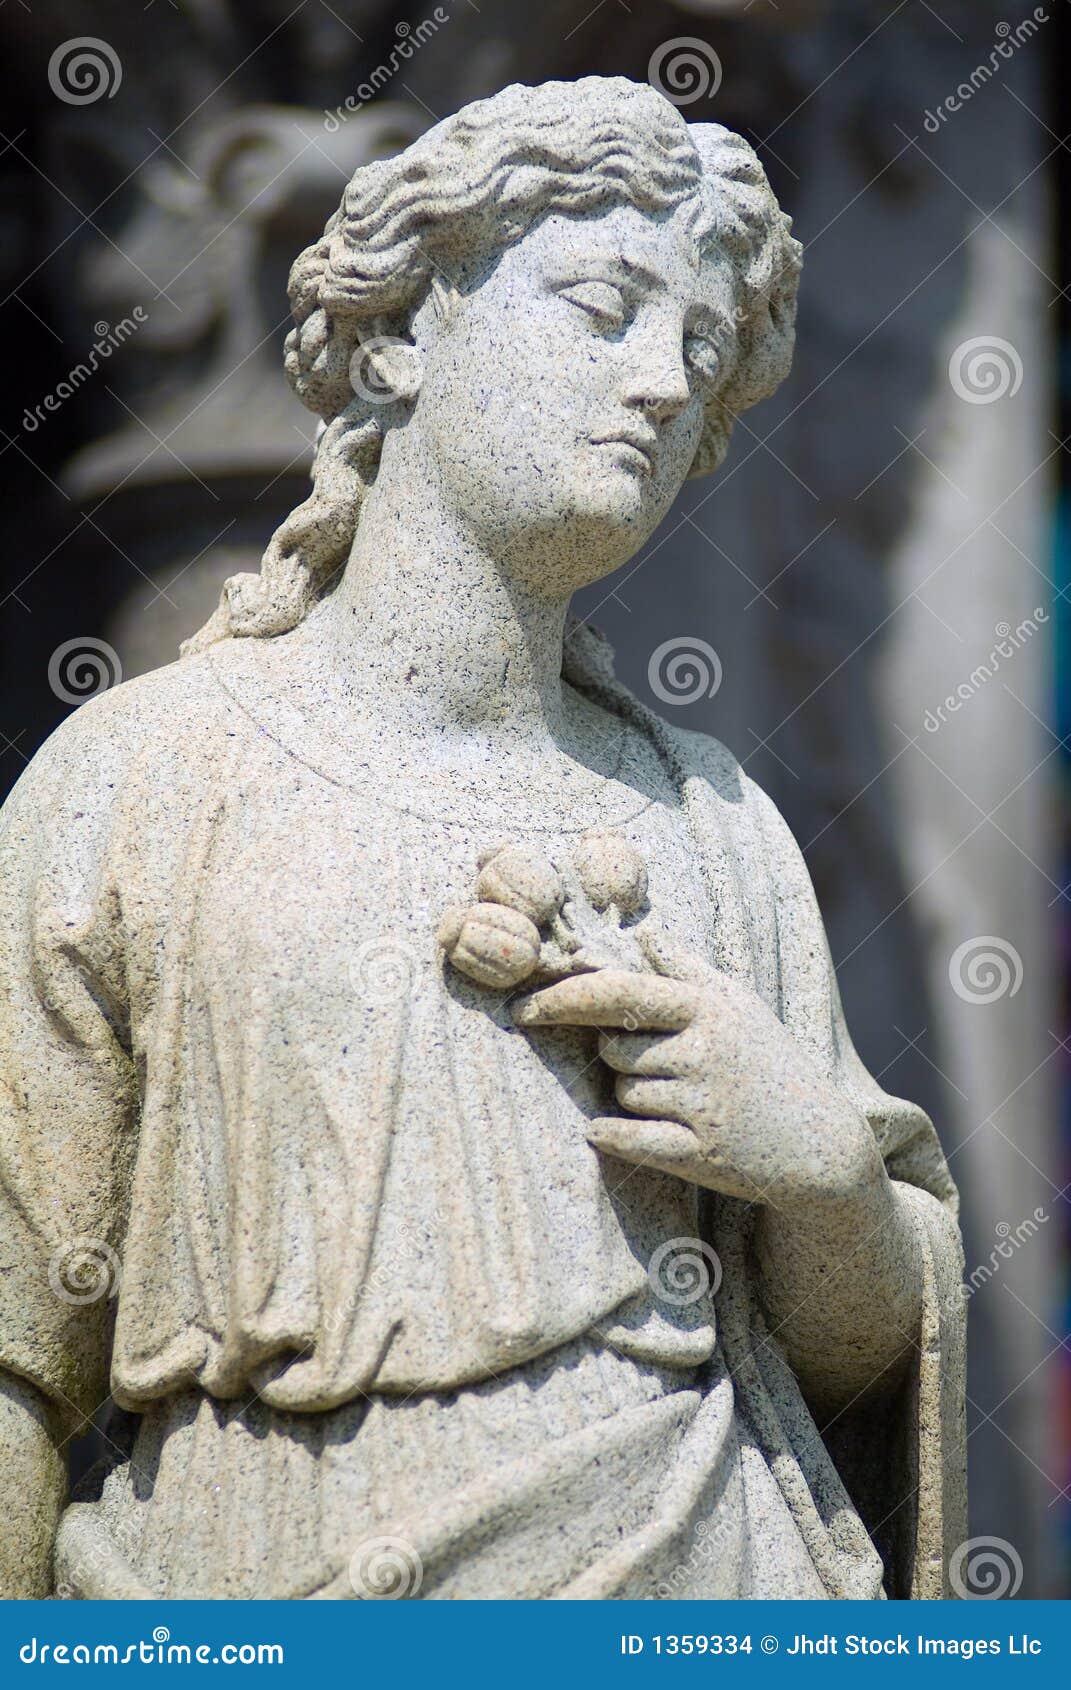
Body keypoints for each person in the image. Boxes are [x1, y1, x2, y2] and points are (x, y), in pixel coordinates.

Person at [0, 77, 963, 1600]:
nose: (663, 380)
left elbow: (858, 1362)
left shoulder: (714, 819)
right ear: (400, 334)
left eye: (702, 347)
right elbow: (16, 1363)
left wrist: (823, 1175)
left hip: (703, 1586)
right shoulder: (138, 780)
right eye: (604, 307)